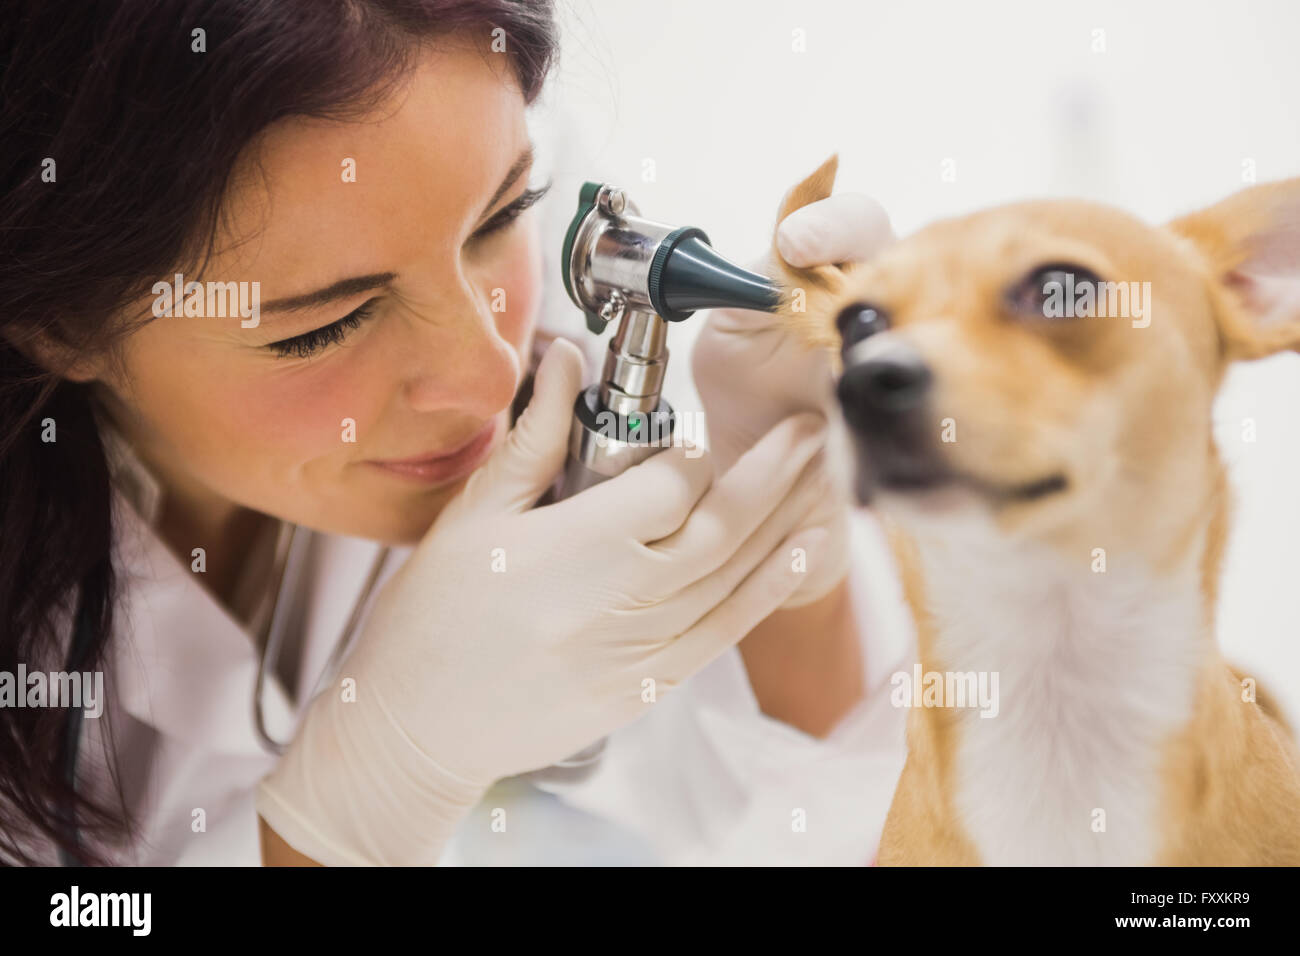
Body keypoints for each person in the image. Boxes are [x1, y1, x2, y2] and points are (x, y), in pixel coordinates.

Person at [0, 0, 902, 866]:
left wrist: (785, 577)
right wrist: (352, 809)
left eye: (503, 217)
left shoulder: (486, 222)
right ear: (56, 323)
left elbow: (780, 816)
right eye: (326, 326)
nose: (488, 378)